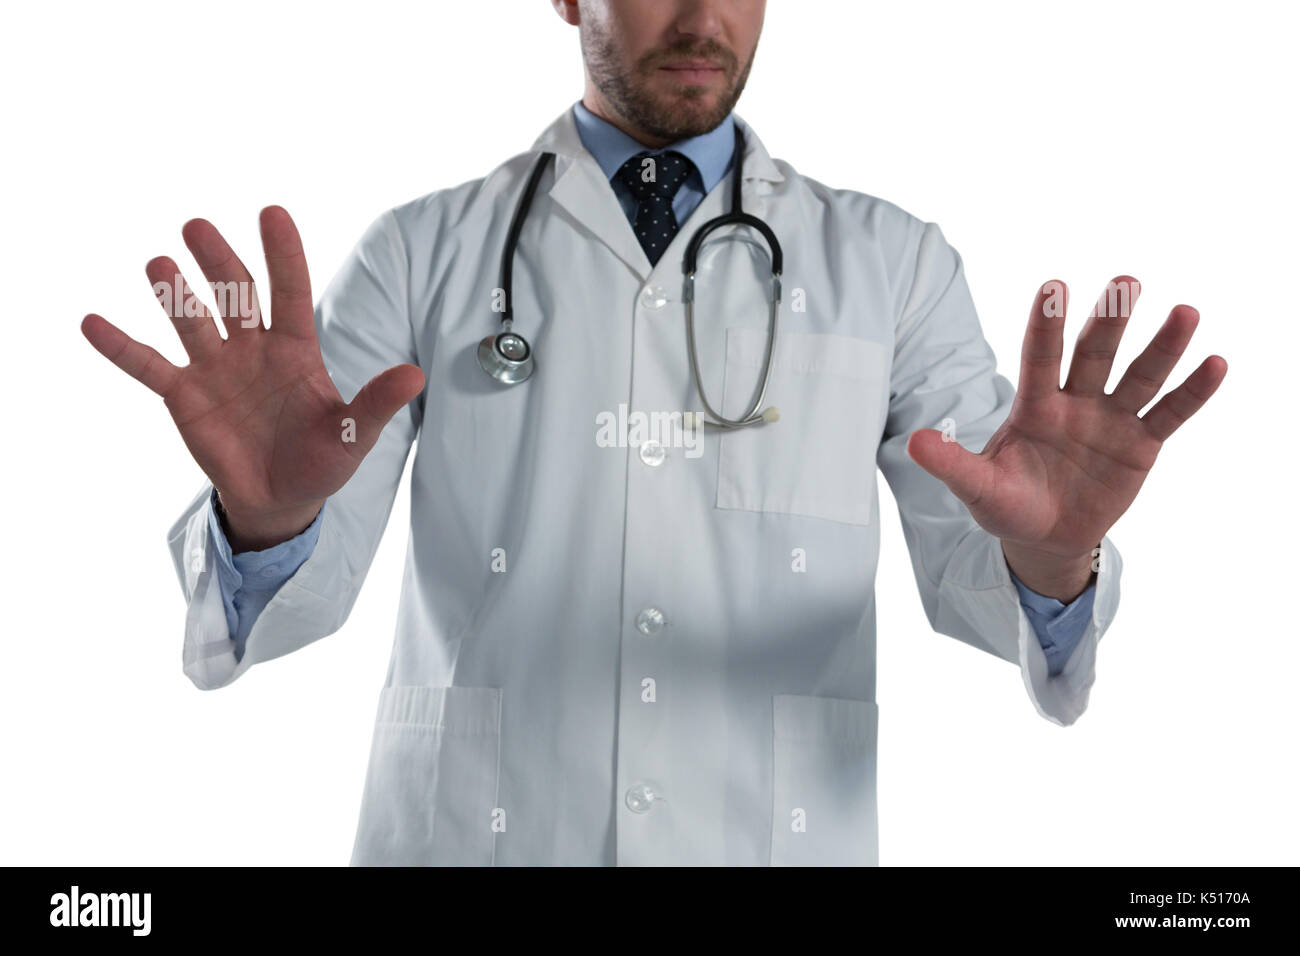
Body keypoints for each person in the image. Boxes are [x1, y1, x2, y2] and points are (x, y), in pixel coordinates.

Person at [80, 0, 1227, 865]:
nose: (701, 15)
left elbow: (984, 582)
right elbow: (302, 592)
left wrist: (1049, 555)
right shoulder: (422, 251)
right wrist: (266, 519)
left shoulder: (891, 263)